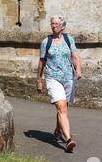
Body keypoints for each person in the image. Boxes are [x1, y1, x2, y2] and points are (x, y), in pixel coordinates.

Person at [35, 15, 82, 153]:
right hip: (52, 78)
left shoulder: (69, 39)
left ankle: (57, 131)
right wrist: (39, 80)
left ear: (62, 26)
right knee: (61, 107)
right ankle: (68, 140)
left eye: (56, 24)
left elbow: (74, 56)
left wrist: (78, 70)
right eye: (52, 23)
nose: (53, 26)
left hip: (68, 77)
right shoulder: (46, 42)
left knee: (63, 108)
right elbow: (41, 62)